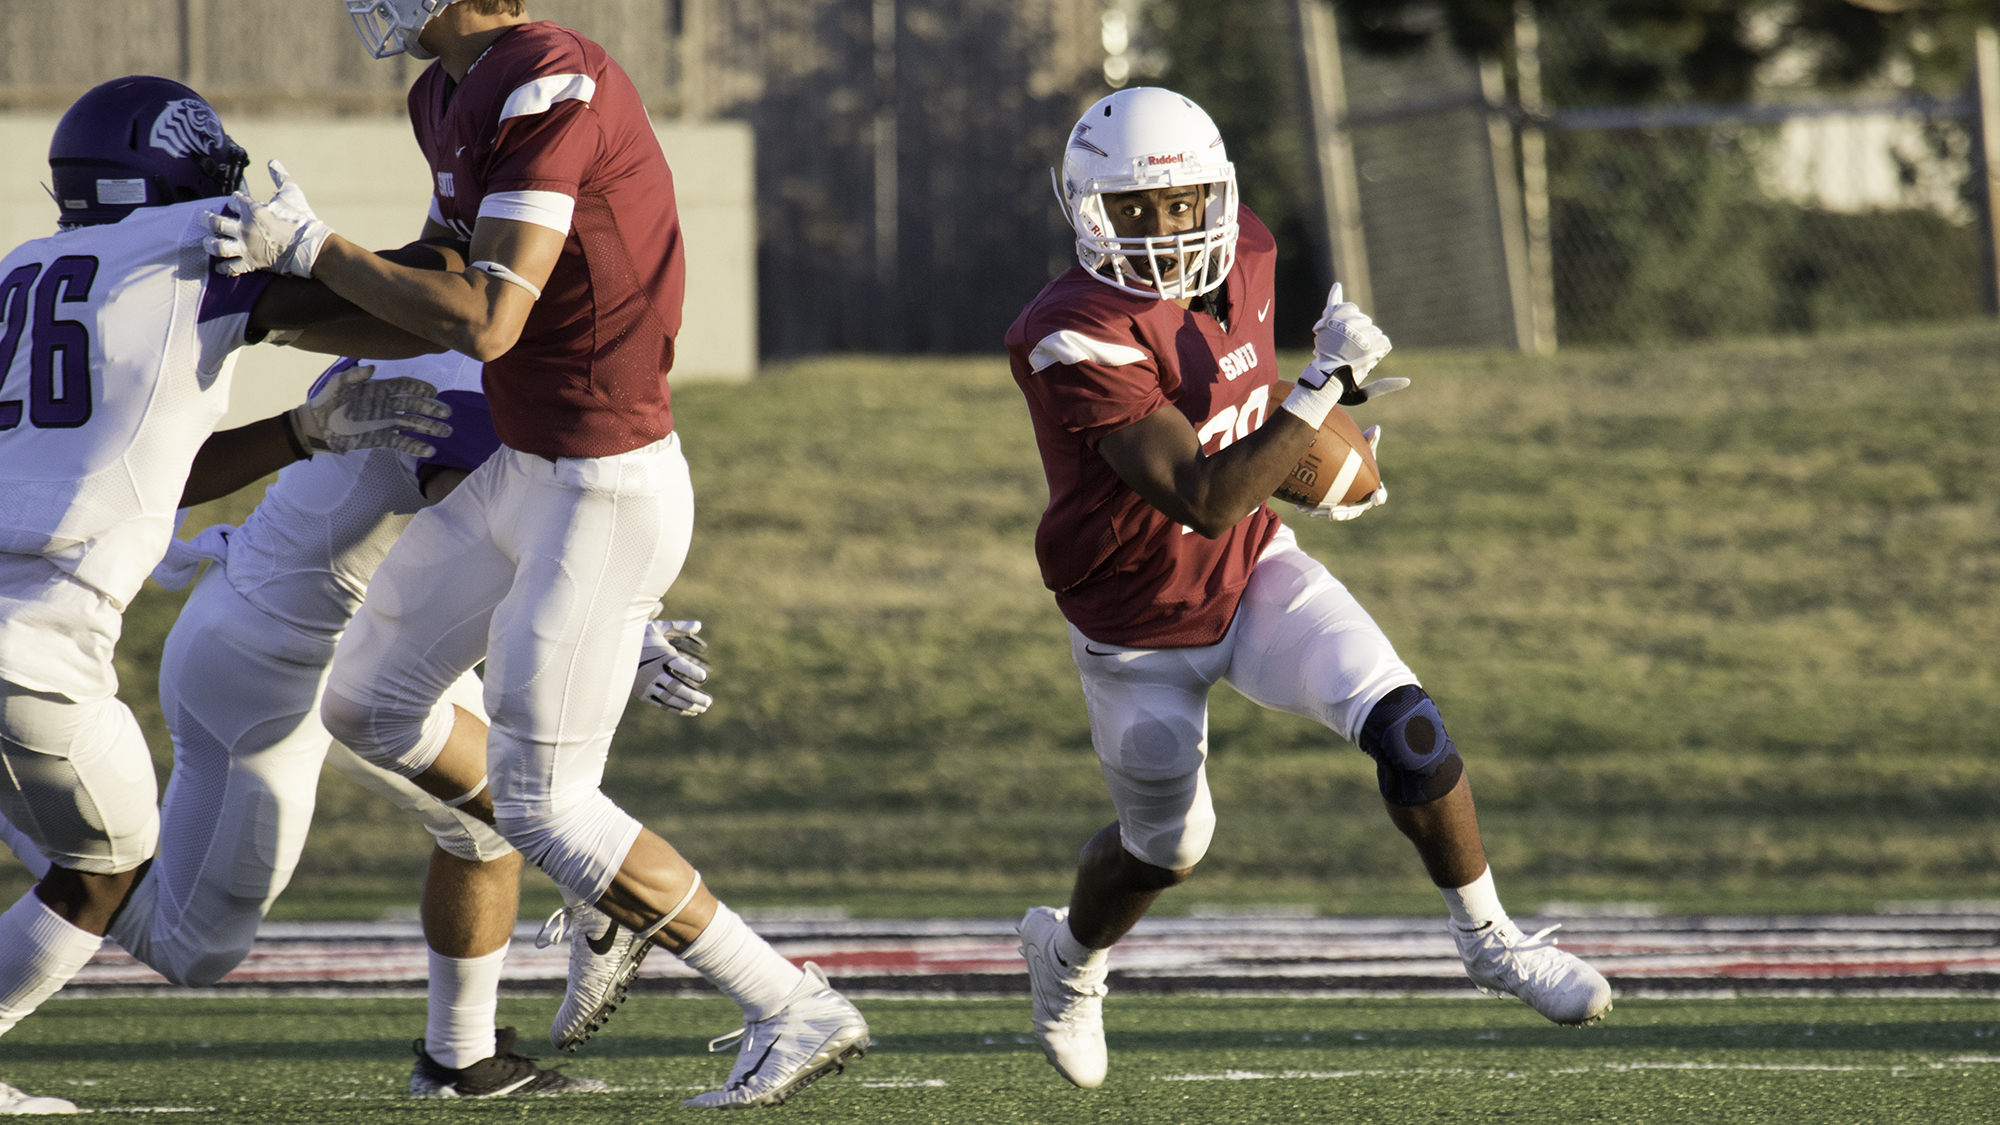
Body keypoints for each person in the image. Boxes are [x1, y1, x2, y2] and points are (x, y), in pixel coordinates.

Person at [208, 1, 869, 1106]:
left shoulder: (549, 81)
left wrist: (316, 249)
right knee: (368, 699)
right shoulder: (448, 90)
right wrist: (271, 310)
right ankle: (605, 881)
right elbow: (429, 289)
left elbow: (484, 321)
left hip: (604, 487)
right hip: (531, 467)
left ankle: (791, 1003)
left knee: (545, 806)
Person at [1004, 86, 1612, 1090]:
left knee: (1410, 728)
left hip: (1250, 573)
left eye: (1181, 202)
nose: (1162, 231)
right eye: (1132, 210)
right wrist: (1316, 388)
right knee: (1164, 849)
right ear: (1081, 208)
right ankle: (1068, 963)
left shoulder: (1244, 250)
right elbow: (1200, 493)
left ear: (1217, 194)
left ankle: (1490, 939)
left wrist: (1325, 425)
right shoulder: (1068, 332)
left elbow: (1233, 405)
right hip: (1132, 629)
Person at [0, 76, 455, 1114]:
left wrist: (300, 435)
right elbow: (404, 310)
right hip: (38, 639)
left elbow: (154, 465)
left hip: (19, 619)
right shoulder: (192, 247)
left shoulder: (18, 272)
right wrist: (398, 246)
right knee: (107, 868)